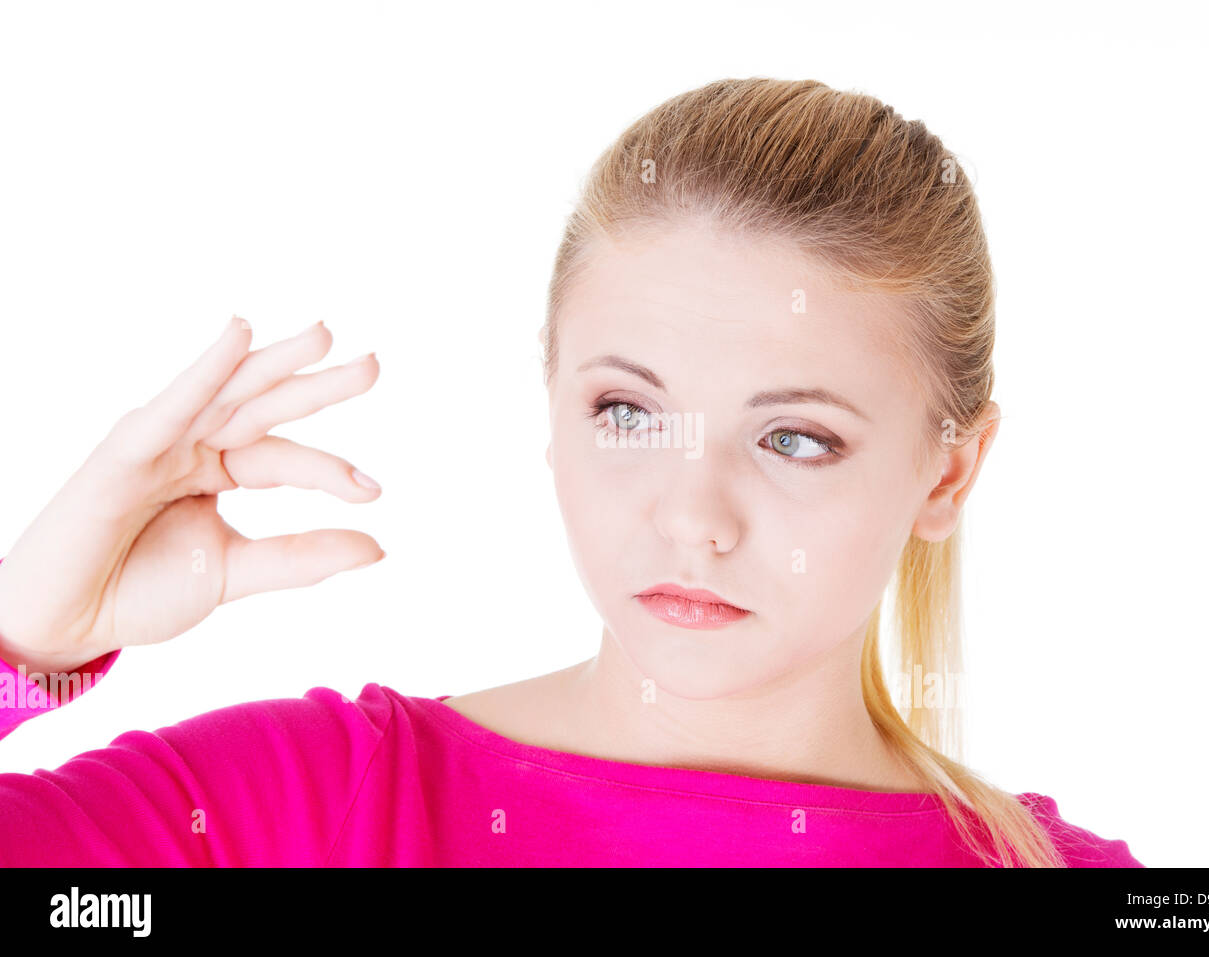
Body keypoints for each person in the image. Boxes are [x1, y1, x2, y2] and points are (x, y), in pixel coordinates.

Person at [0, 77, 1141, 867]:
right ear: (550, 408)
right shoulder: (317, 808)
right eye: (628, 412)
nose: (690, 519)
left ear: (949, 474)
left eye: (795, 437)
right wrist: (25, 645)